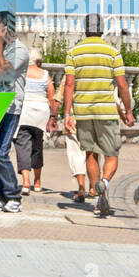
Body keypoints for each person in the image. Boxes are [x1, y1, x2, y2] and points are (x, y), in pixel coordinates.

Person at [63, 13, 135, 217]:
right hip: (106, 111)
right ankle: (104, 183)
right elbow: (122, 85)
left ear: (85, 29)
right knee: (112, 154)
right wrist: (128, 112)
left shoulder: (74, 52)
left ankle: (97, 197)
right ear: (102, 29)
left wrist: (67, 113)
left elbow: (69, 84)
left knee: (90, 154)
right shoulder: (112, 52)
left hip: (84, 112)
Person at [0, 10, 29, 213]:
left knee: (2, 152)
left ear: (5, 28)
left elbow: (1, 70)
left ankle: (13, 195)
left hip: (11, 106)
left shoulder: (19, 50)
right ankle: (1, 194)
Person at [14, 48, 56, 193]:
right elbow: (52, 97)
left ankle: (25, 182)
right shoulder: (45, 75)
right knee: (37, 146)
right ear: (38, 61)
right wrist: (53, 116)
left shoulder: (22, 73)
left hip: (25, 111)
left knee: (22, 145)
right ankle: (37, 182)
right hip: (41, 113)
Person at [53, 72, 89, 202]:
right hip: (94, 119)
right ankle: (95, 188)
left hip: (73, 120)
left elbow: (59, 96)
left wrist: (53, 116)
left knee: (77, 154)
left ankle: (81, 187)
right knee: (92, 154)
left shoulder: (72, 70)